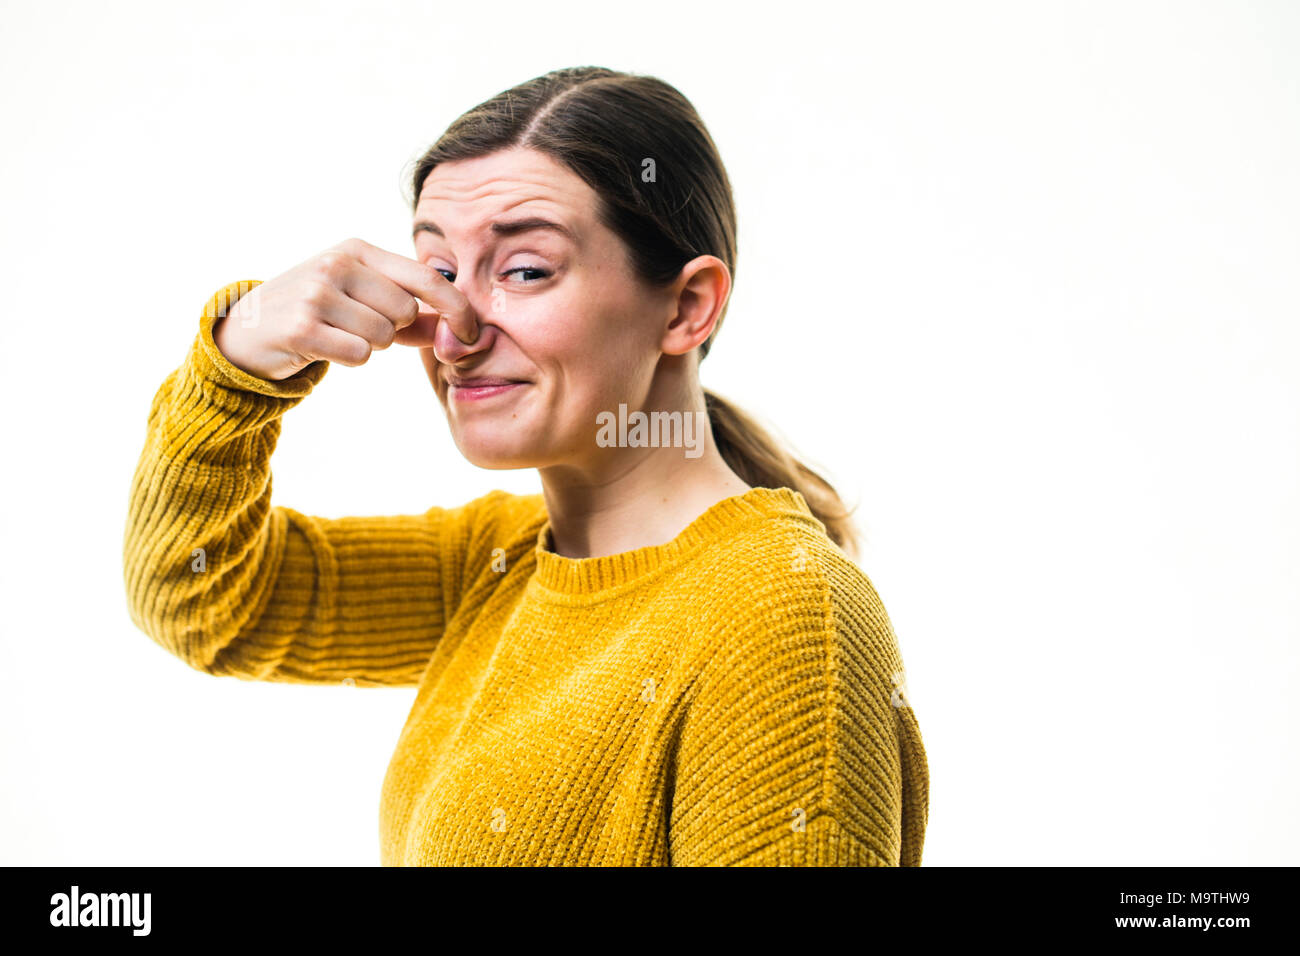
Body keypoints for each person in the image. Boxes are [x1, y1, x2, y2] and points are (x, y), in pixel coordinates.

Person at [123, 65, 929, 866]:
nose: (454, 332)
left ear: (687, 308)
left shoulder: (781, 616)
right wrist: (238, 365)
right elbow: (202, 600)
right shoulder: (499, 564)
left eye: (525, 271)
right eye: (439, 274)